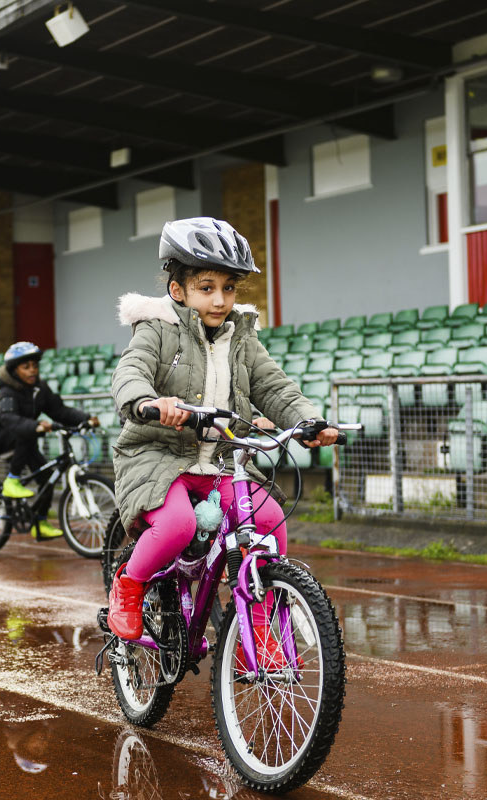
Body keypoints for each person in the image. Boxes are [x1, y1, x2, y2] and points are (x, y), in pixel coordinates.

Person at [106, 217, 337, 665]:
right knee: (177, 527)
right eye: (206, 287)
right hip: (159, 456)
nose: (219, 299)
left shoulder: (241, 338)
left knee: (269, 521)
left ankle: (259, 627)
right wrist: (148, 401)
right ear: (179, 290)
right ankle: (129, 584)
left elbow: (275, 387)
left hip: (223, 462)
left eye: (228, 289)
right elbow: (129, 373)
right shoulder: (156, 330)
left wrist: (310, 420)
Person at [0, 341, 100, 540]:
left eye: (35, 366)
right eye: (26, 367)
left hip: (26, 440)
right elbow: (9, 419)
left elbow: (59, 411)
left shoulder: (40, 389)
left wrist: (86, 418)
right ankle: (12, 480)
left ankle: (39, 522)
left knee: (47, 479)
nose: (32, 371)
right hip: (3, 438)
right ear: (14, 370)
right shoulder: (7, 392)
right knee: (27, 433)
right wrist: (36, 426)